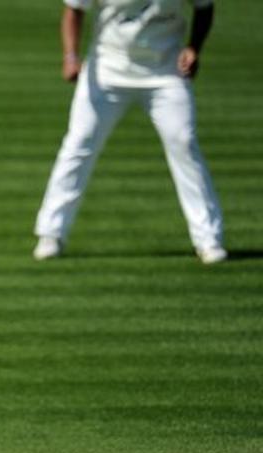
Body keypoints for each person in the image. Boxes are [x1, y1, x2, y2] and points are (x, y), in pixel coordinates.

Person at [33, 0, 226, 264]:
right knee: (79, 144)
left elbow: (204, 7)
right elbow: (73, 10)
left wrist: (194, 48)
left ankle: (209, 239)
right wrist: (71, 56)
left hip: (166, 72)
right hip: (107, 72)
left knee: (184, 143)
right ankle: (51, 233)